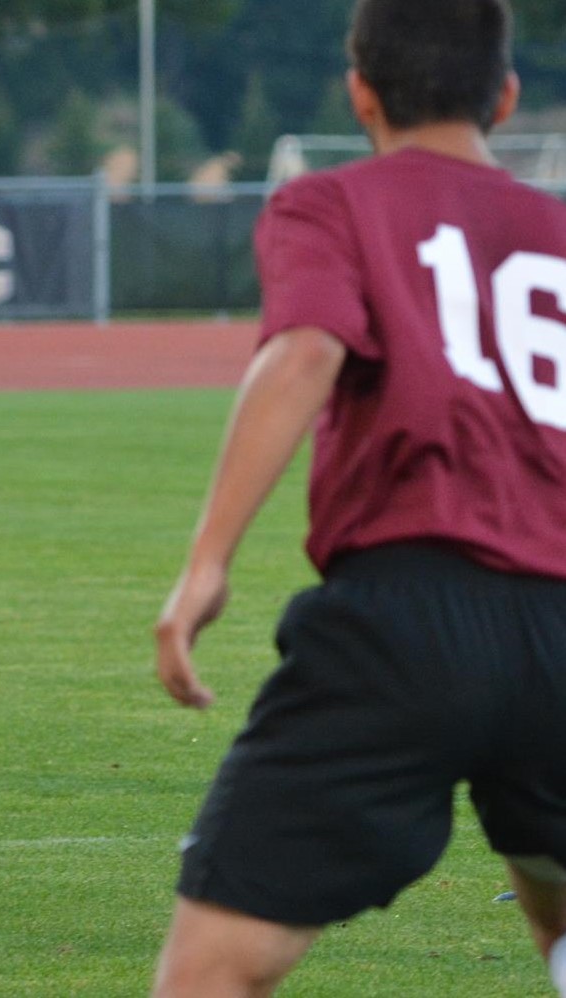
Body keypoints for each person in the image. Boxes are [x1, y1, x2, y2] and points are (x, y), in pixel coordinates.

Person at [150, 1, 566, 994]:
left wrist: (207, 561)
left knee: (211, 972)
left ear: (360, 94)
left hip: (406, 622)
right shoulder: (556, 230)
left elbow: (303, 352)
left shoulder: (331, 203)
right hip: (559, 625)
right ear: (506, 98)